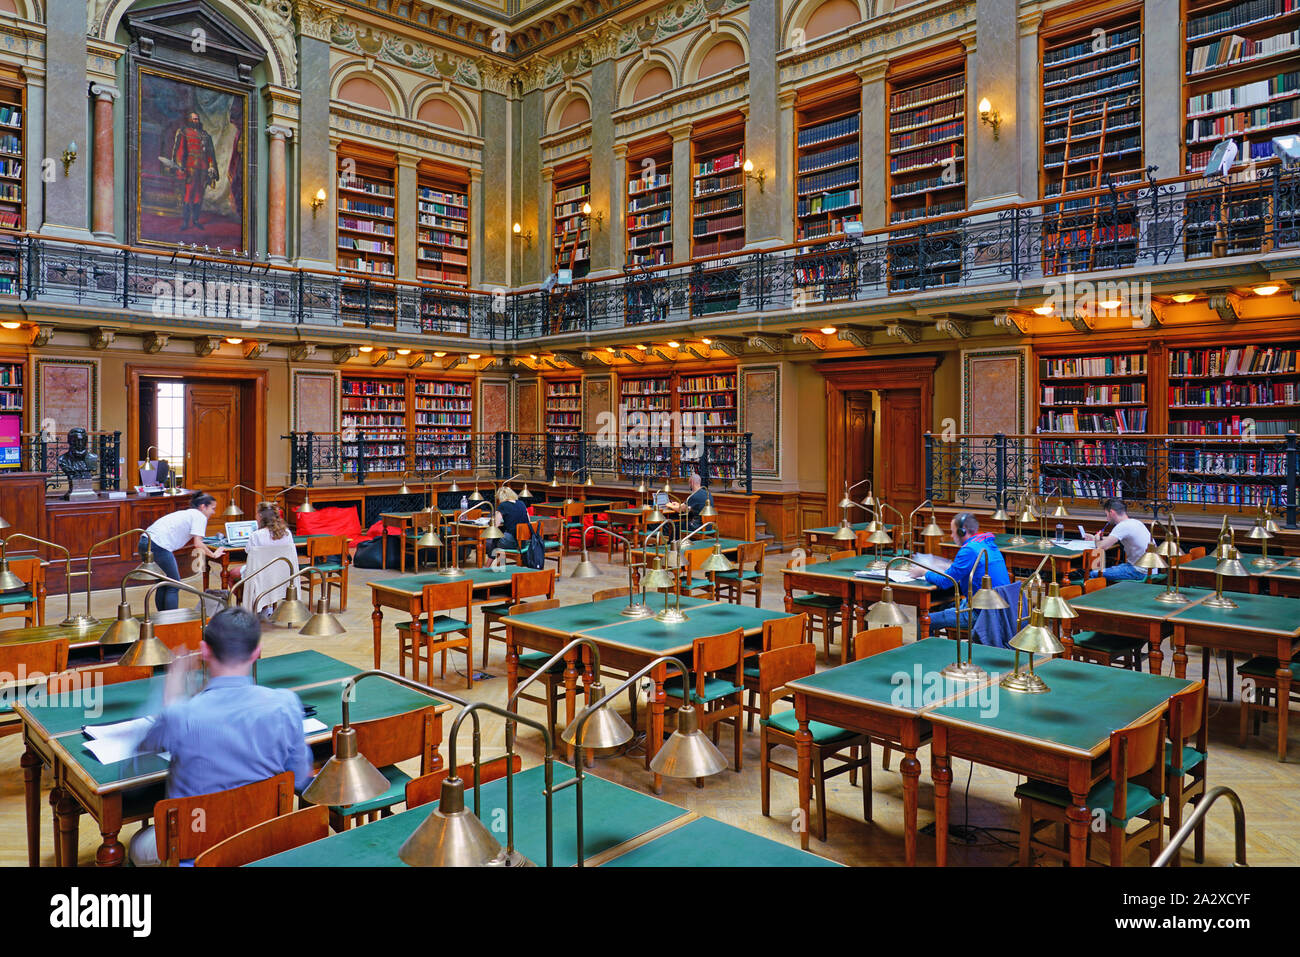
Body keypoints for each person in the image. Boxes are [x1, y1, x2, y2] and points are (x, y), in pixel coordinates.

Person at [127, 606, 313, 866]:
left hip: (196, 849)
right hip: (262, 841)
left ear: (204, 651)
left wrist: (170, 693)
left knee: (136, 844)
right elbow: (301, 777)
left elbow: (134, 769)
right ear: (257, 652)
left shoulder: (181, 715)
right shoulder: (286, 705)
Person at [924, 513, 1010, 635]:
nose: (952, 535)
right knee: (942, 608)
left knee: (925, 620)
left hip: (980, 614)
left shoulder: (969, 550)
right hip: (997, 610)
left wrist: (924, 572)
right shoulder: (987, 544)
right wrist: (949, 567)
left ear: (962, 532)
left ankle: (926, 652)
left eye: (953, 531)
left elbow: (945, 581)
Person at [140, 492, 226, 611]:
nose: (213, 512)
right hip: (158, 545)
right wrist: (213, 554)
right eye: (213, 508)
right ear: (203, 507)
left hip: (144, 542)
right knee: (174, 584)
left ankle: (162, 620)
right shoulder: (199, 516)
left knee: (163, 583)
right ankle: (172, 621)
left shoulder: (188, 513)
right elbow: (198, 544)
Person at [1088, 497, 1152, 582]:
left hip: (1138, 571)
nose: (1107, 518)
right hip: (1148, 569)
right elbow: (1113, 538)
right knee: (1105, 569)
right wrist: (1096, 538)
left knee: (1093, 573)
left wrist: (1097, 539)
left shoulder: (1122, 526)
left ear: (1111, 512)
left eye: (1106, 514)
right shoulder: (1135, 522)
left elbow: (1101, 547)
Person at [486, 486, 531, 558]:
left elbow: (495, 525)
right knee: (497, 539)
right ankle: (493, 564)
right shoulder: (521, 503)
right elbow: (528, 520)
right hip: (524, 541)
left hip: (512, 542)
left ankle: (489, 565)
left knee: (495, 540)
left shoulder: (503, 505)